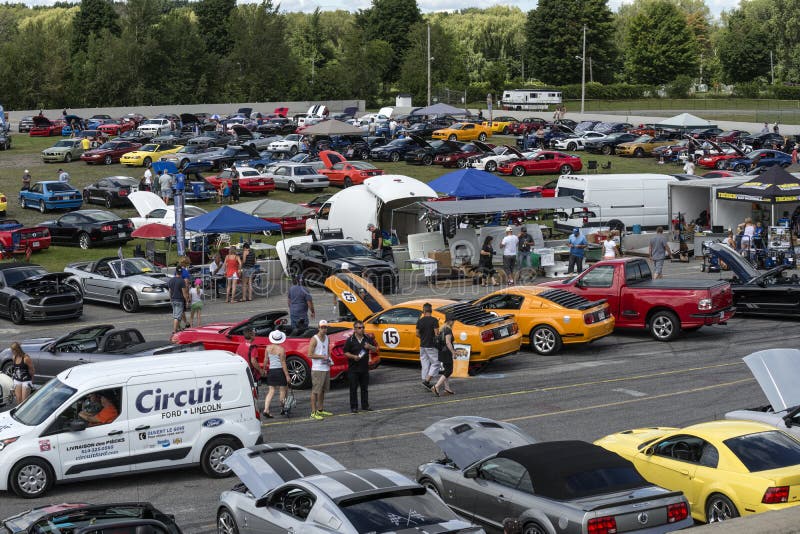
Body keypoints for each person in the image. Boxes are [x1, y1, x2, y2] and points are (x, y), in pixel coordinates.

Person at [343, 320, 377, 413]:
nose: (361, 329)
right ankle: (354, 407)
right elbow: (345, 352)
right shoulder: (350, 340)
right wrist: (354, 357)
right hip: (353, 368)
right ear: (354, 329)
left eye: (363, 327)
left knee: (364, 388)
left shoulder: (367, 338)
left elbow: (375, 349)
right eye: (359, 328)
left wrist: (370, 347)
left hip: (364, 368)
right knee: (353, 388)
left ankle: (365, 405)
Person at [261, 330, 290, 418]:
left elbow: (265, 359)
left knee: (271, 391)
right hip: (280, 371)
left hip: (271, 371)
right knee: (282, 390)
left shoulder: (268, 348)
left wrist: (263, 369)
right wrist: (287, 375)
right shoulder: (281, 349)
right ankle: (283, 408)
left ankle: (266, 409)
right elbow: (283, 363)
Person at [308, 320, 333, 420]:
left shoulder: (327, 338)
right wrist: (322, 357)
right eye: (322, 327)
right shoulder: (314, 339)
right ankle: (313, 412)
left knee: (322, 390)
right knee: (315, 391)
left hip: (325, 367)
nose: (324, 329)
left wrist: (329, 361)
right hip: (317, 369)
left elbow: (327, 351)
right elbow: (309, 354)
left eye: (325, 327)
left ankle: (320, 409)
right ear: (318, 328)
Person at [416, 303, 440, 390]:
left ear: (424, 311)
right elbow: (437, 334)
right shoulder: (434, 320)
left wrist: (423, 337)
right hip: (431, 345)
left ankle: (424, 380)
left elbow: (417, 334)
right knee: (436, 363)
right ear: (431, 310)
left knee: (425, 363)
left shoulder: (420, 321)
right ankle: (427, 381)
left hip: (422, 345)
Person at [431, 314, 455, 397]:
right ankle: (436, 386)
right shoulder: (448, 330)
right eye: (453, 321)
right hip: (447, 352)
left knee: (446, 370)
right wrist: (453, 352)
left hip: (441, 352)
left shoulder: (442, 329)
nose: (454, 322)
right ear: (450, 321)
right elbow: (448, 342)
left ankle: (447, 389)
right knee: (449, 371)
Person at [167, 266, 189, 333]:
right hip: (179, 300)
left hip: (173, 299)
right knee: (177, 317)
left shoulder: (171, 280)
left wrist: (170, 300)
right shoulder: (182, 281)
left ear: (175, 272)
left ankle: (178, 328)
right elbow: (184, 293)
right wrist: (187, 301)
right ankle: (174, 330)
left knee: (176, 315)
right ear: (181, 272)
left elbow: (170, 292)